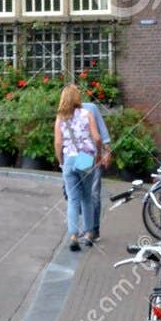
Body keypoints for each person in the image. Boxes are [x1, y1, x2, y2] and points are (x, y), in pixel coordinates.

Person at [54, 84, 98, 252]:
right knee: (87, 197)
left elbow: (58, 143)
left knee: (73, 199)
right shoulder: (87, 114)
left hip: (69, 158)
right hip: (85, 158)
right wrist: (98, 153)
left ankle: (73, 236)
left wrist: (61, 161)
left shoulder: (60, 118)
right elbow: (97, 138)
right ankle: (88, 233)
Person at [80, 93, 111, 242]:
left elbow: (102, 133)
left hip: (92, 154)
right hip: (79, 158)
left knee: (93, 193)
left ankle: (94, 230)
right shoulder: (66, 113)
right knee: (81, 193)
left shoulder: (90, 108)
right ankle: (87, 228)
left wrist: (107, 151)